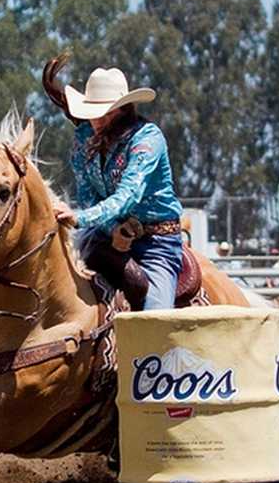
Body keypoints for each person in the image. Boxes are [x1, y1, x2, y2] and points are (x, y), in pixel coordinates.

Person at [46, 63, 184, 311]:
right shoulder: (83, 140)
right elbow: (88, 194)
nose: (97, 119)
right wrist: (114, 230)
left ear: (122, 110)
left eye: (105, 112)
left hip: (157, 243)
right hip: (102, 233)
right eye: (93, 111)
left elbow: (128, 195)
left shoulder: (147, 138)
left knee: (155, 316)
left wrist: (80, 218)